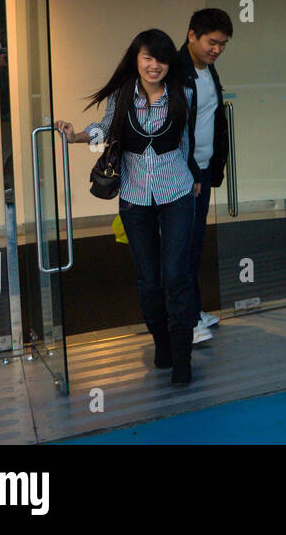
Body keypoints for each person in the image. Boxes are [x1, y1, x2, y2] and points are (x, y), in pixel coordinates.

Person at [56, 29, 203, 385]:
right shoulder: (123, 95)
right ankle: (161, 342)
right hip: (135, 197)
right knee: (150, 280)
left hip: (177, 193)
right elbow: (105, 129)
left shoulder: (183, 94)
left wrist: (195, 175)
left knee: (176, 275)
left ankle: (182, 358)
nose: (155, 66)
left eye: (161, 59)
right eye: (148, 58)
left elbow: (188, 140)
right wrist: (74, 135)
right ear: (136, 60)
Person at [179, 8, 232, 344]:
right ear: (192, 36)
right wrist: (190, 170)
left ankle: (194, 310)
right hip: (182, 174)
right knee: (182, 247)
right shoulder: (173, 71)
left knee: (194, 244)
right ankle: (184, 320)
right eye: (212, 42)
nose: (217, 50)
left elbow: (213, 119)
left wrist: (215, 166)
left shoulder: (209, 70)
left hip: (203, 168)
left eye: (223, 45)